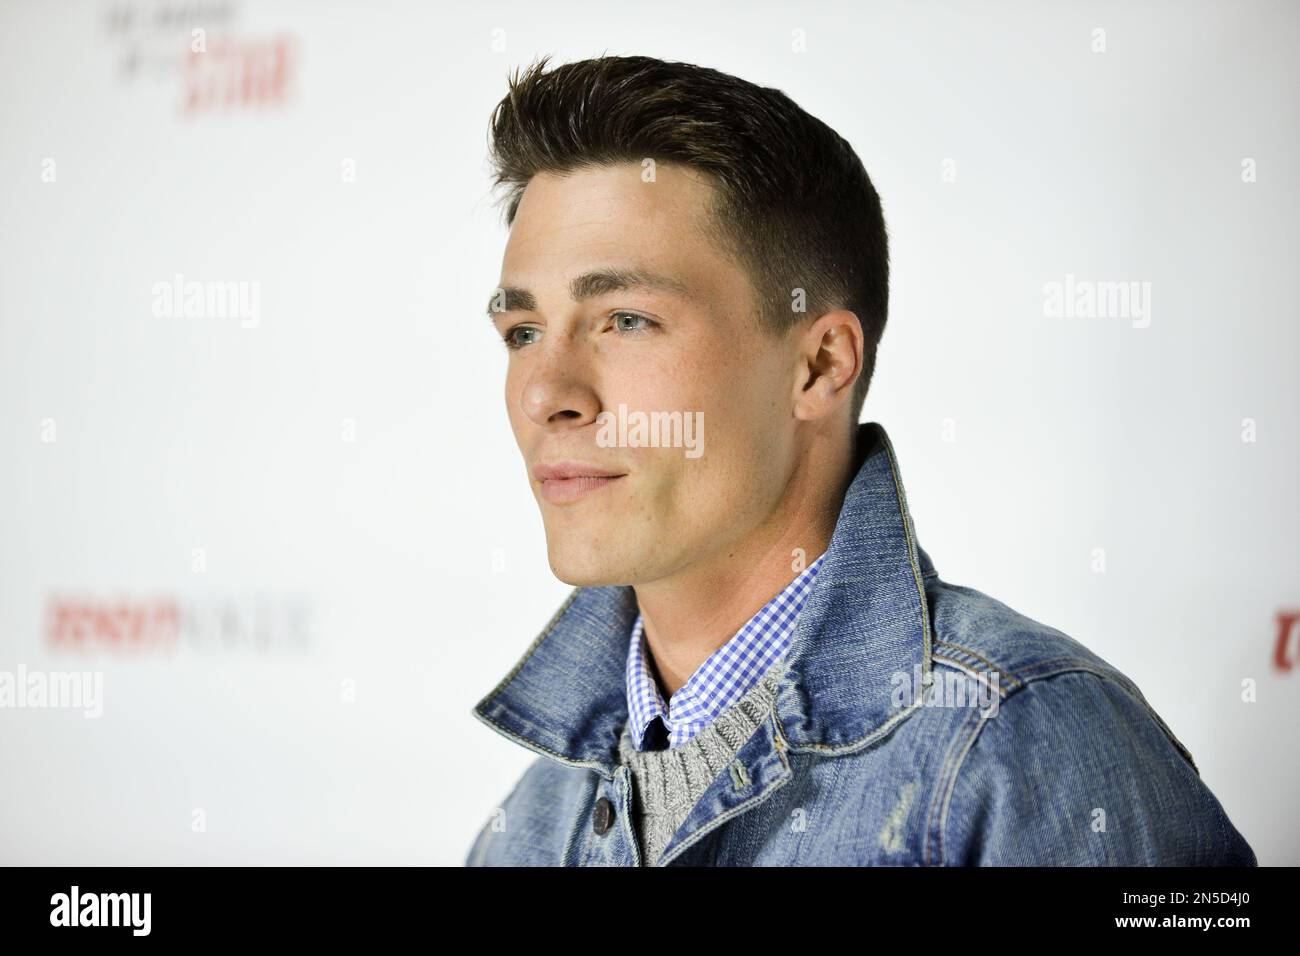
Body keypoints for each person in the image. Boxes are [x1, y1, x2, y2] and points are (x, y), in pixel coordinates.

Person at [465, 54, 1256, 866]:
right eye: (523, 332)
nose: (544, 394)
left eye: (625, 320)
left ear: (819, 365)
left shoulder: (1020, 749)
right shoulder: (530, 826)